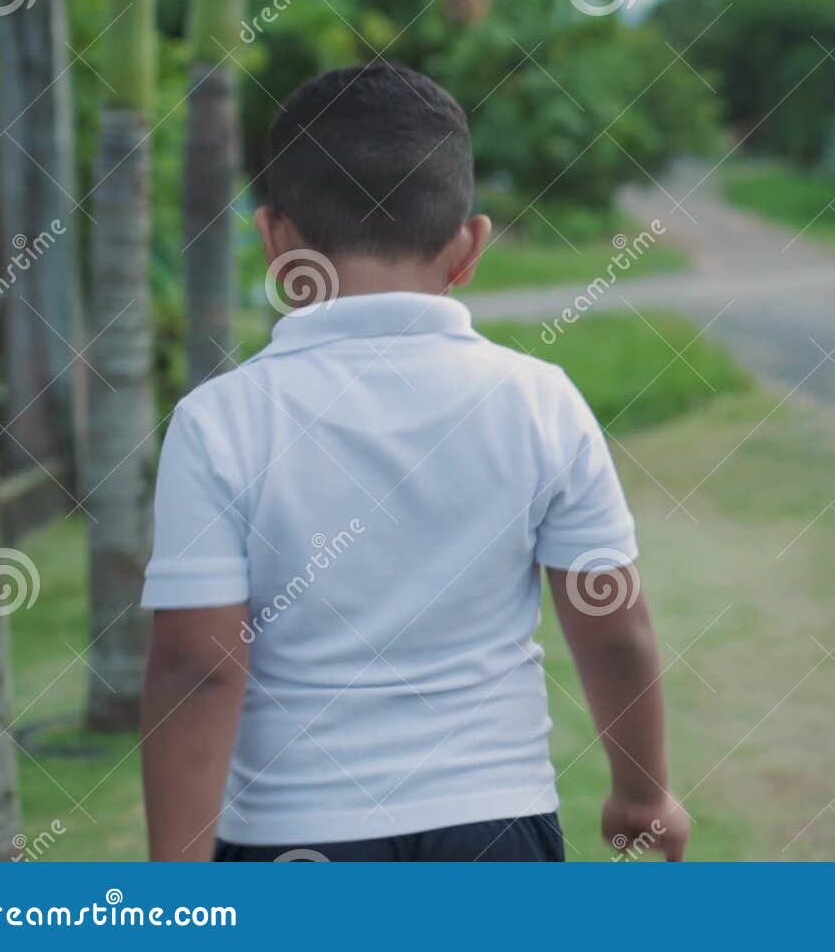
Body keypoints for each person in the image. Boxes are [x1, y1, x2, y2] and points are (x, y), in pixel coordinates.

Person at [138, 63, 687, 862]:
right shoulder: (541, 399)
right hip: (495, 833)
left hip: (293, 842)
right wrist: (643, 793)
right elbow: (612, 626)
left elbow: (197, 669)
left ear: (274, 240)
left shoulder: (219, 422)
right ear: (470, 247)